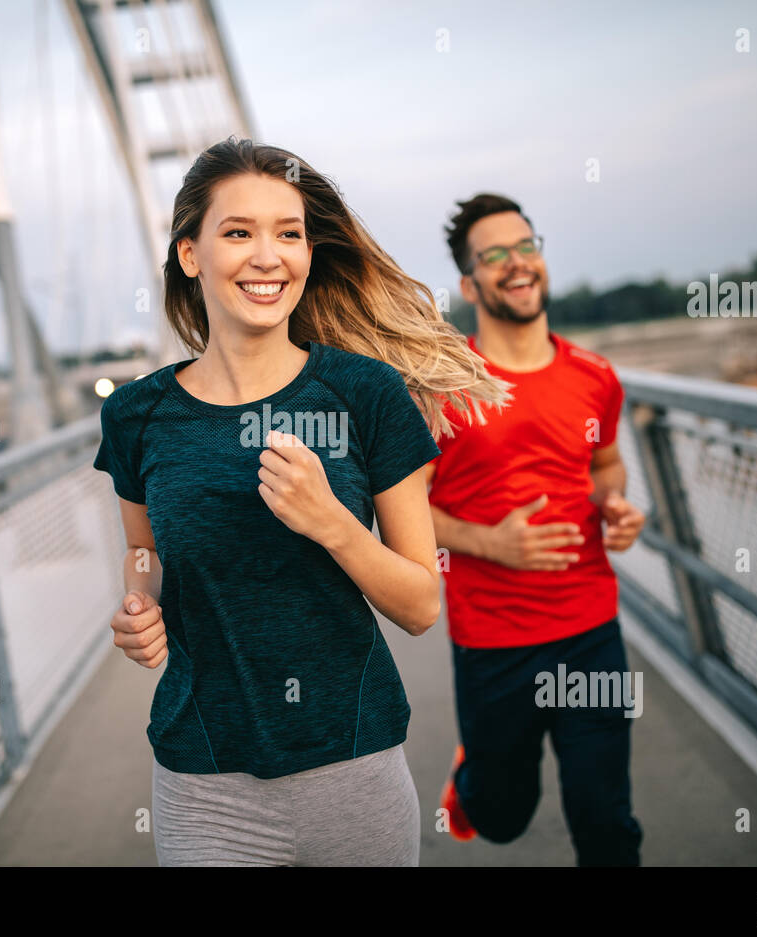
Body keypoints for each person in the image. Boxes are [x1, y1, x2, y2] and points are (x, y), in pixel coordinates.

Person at [92, 138, 509, 866]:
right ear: (190, 254)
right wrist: (138, 612)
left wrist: (333, 525)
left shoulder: (367, 394)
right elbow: (144, 559)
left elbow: (419, 605)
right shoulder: (136, 415)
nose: (268, 255)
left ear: (310, 254)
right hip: (203, 780)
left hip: (353, 772)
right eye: (238, 232)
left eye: (289, 234)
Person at [426, 193, 646, 866]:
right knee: (501, 817)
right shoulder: (440, 385)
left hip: (590, 631)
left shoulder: (594, 376)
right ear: (470, 283)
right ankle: (473, 782)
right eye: (494, 256)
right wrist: (489, 542)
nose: (516, 265)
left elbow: (607, 466)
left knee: (605, 819)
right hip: (494, 642)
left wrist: (616, 507)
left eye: (526, 247)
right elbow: (399, 509)